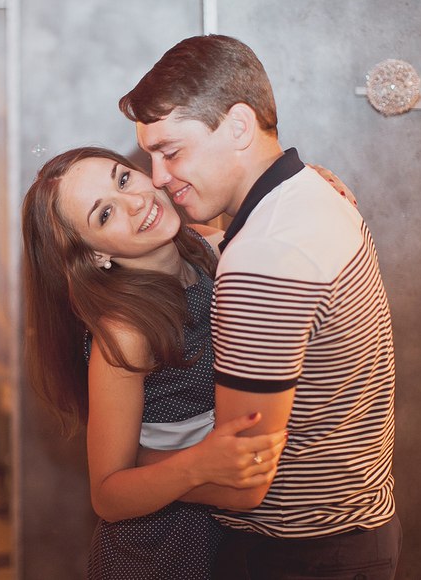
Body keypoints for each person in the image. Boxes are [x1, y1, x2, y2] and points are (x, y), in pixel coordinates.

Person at [119, 34, 401, 579]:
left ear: (239, 127)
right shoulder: (309, 194)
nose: (158, 177)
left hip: (298, 555)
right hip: (350, 534)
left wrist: (130, 469)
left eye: (170, 152)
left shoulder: (264, 257)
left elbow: (241, 482)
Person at [21, 145, 288, 580]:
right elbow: (107, 495)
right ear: (93, 255)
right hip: (160, 551)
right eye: (104, 214)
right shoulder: (126, 333)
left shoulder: (206, 245)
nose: (135, 202)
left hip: (240, 531)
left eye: (124, 179)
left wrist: (308, 190)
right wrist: (198, 464)